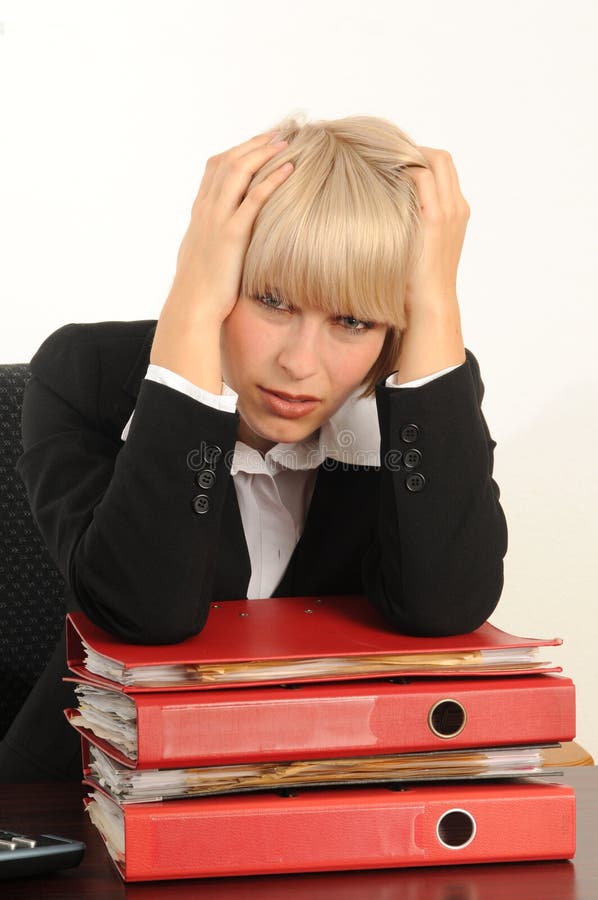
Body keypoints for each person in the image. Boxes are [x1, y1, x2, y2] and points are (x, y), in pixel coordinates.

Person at [0, 114, 507, 782]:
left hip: (330, 792)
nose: (301, 363)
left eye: (352, 321)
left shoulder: (420, 395)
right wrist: (191, 308)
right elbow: (146, 612)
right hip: (85, 799)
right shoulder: (86, 374)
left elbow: (445, 608)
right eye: (270, 300)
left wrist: (436, 301)